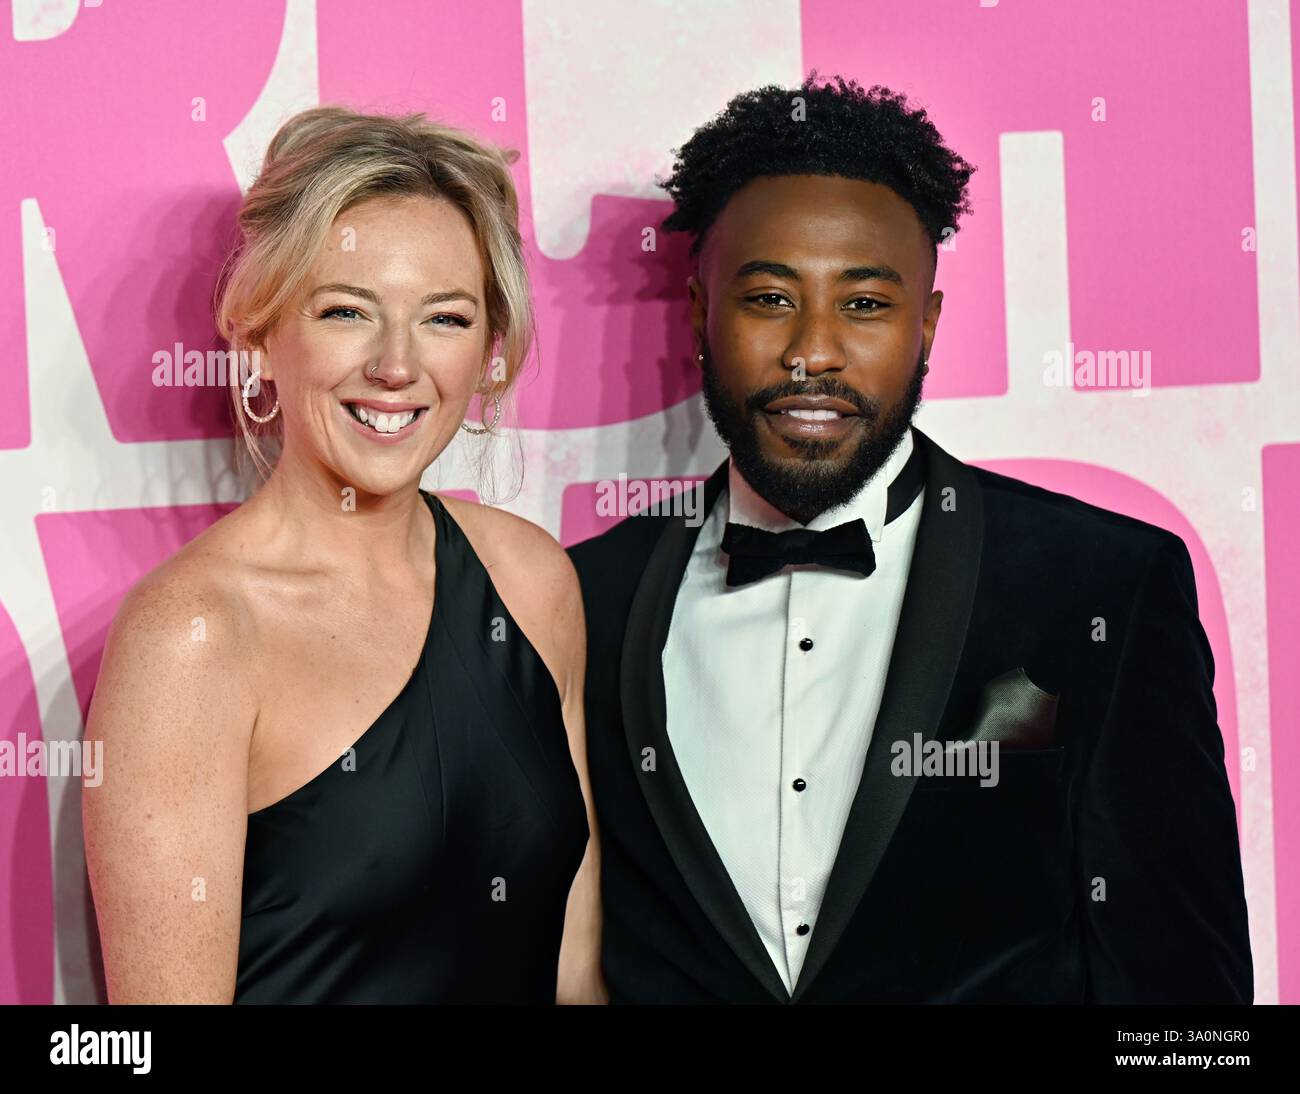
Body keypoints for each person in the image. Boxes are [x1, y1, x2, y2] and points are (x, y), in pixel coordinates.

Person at [567, 73, 1252, 1004]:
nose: (814, 352)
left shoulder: (1103, 587)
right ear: (700, 315)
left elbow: (1188, 1002)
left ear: (926, 327)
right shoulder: (579, 600)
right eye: (769, 299)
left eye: (864, 305)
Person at [82, 106, 605, 1004]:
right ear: (260, 335)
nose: (396, 366)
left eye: (444, 318)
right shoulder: (194, 638)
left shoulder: (531, 580)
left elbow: (574, 976)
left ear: (489, 352)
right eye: (346, 311)